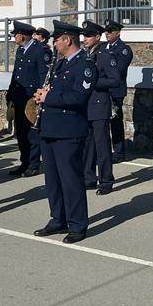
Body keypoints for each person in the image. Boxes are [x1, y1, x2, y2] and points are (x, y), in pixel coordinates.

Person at [33, 20, 95, 244]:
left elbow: (79, 97)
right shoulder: (59, 64)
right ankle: (58, 218)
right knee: (53, 179)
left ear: (67, 40)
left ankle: (78, 224)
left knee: (70, 180)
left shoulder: (85, 65)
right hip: (50, 128)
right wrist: (43, 94)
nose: (54, 44)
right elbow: (57, 92)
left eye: (57, 40)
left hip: (69, 131)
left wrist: (50, 97)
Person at [7, 20, 51, 177]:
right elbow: (16, 74)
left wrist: (38, 97)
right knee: (21, 133)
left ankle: (33, 164)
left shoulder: (40, 50)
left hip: (31, 100)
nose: (13, 38)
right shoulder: (21, 50)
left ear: (21, 36)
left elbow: (43, 76)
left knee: (32, 134)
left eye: (15, 35)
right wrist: (10, 93)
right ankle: (24, 162)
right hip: (19, 97)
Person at [84, 21, 115, 194]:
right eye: (84, 36)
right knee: (87, 144)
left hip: (99, 105)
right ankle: (89, 177)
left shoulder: (104, 54)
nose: (85, 39)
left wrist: (94, 82)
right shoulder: (85, 54)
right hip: (86, 105)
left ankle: (106, 180)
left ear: (97, 37)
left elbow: (114, 79)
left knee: (101, 144)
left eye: (88, 36)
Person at [103, 20, 134, 162]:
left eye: (110, 31)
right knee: (101, 122)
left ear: (118, 32)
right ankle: (105, 150)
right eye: (106, 31)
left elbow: (118, 70)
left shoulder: (123, 49)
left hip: (115, 90)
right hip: (103, 89)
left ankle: (119, 151)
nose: (107, 34)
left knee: (115, 121)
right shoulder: (104, 47)